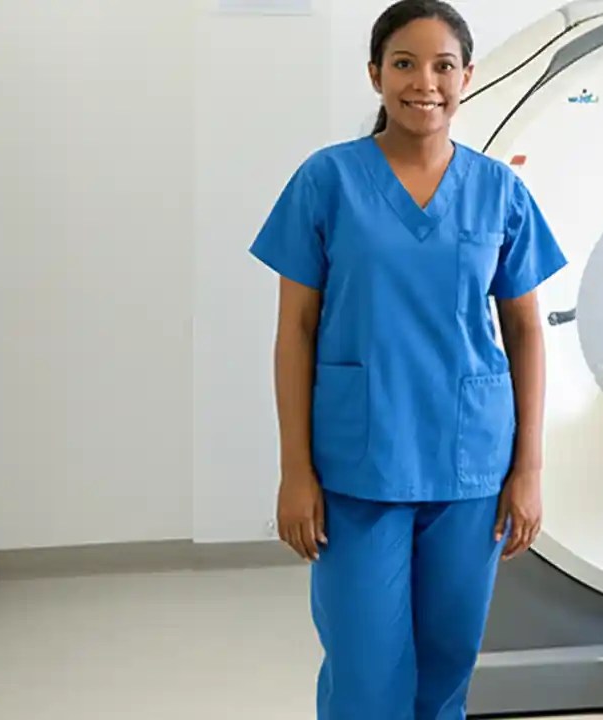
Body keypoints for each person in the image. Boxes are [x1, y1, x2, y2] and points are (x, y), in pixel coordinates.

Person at [248, 0, 568, 717]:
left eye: (443, 65)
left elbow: (525, 332)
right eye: (403, 63)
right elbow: (294, 330)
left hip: (470, 463)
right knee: (366, 674)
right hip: (360, 462)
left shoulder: (499, 190)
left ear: (466, 77)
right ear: (374, 75)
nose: (424, 81)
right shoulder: (326, 181)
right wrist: (295, 470)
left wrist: (529, 469)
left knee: (447, 663)